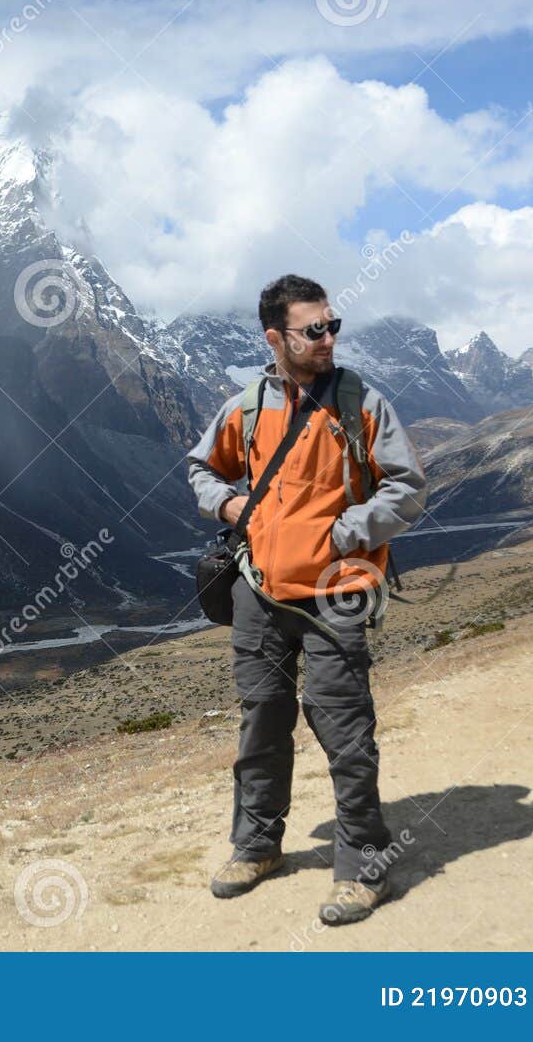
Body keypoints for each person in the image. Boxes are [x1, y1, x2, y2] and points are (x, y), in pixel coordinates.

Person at [186, 275, 427, 925]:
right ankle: (257, 845)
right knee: (261, 719)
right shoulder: (246, 406)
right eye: (313, 329)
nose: (328, 339)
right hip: (258, 592)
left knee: (343, 729)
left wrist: (347, 532)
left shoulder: (359, 401)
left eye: (332, 326)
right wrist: (232, 502)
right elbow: (201, 470)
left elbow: (407, 487)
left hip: (338, 596)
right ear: (276, 337)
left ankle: (363, 867)